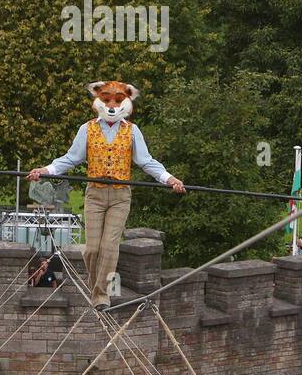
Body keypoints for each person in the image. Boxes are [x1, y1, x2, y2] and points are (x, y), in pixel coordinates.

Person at [27, 81, 184, 310]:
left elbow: (145, 161)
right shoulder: (87, 129)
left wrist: (169, 178)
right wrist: (45, 170)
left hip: (120, 196)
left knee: (110, 247)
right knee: (92, 249)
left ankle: (101, 295)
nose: (112, 106)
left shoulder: (131, 131)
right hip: (95, 195)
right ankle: (95, 286)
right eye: (107, 100)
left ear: (126, 102)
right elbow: (71, 158)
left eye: (118, 101)